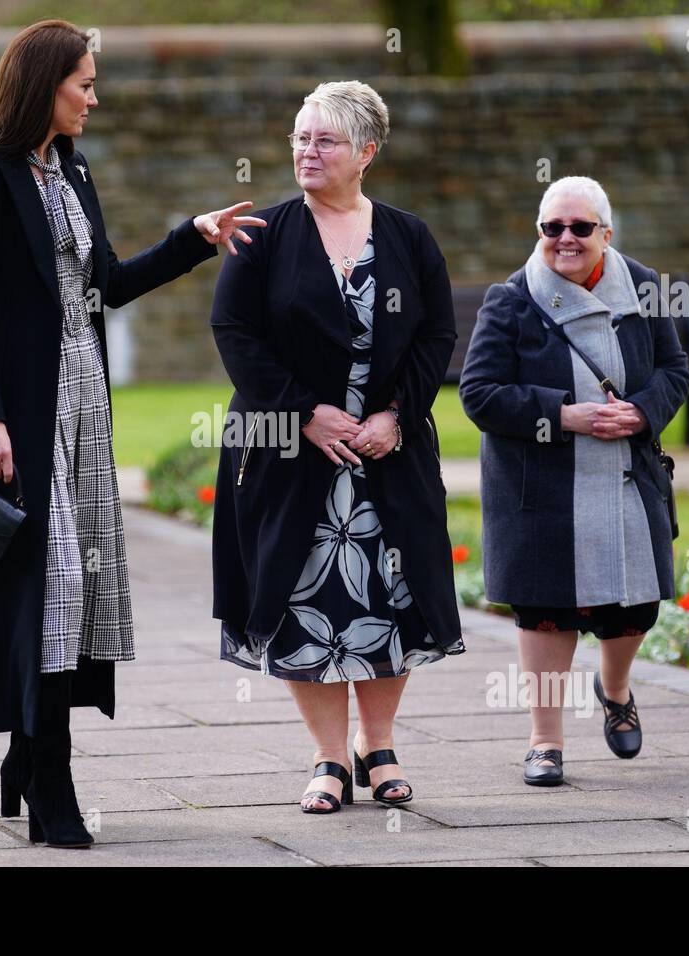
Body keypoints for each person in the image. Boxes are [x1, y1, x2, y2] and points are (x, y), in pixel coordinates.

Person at [0, 19, 264, 846]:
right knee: (53, 583)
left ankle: (24, 749)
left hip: (88, 406)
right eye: (83, 81)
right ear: (44, 83)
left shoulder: (74, 171)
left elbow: (107, 284)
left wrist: (194, 239)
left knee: (78, 595)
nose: (93, 96)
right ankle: (52, 776)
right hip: (27, 410)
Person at [210, 81, 464, 815]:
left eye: (323, 140)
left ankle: (377, 747)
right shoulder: (263, 235)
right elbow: (235, 335)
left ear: (366, 153)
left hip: (389, 454)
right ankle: (327, 759)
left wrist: (396, 416)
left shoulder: (410, 238)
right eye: (298, 137)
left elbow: (436, 336)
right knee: (302, 596)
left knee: (391, 595)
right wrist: (304, 413)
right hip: (290, 454)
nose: (305, 151)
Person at [459, 176, 689, 786]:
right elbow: (479, 394)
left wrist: (642, 411)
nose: (564, 238)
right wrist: (563, 415)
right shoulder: (510, 299)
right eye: (551, 228)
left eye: (579, 228)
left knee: (636, 608)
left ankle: (614, 688)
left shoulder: (643, 287)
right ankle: (544, 740)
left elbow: (674, 369)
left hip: (624, 477)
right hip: (540, 487)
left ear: (605, 234)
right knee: (546, 613)